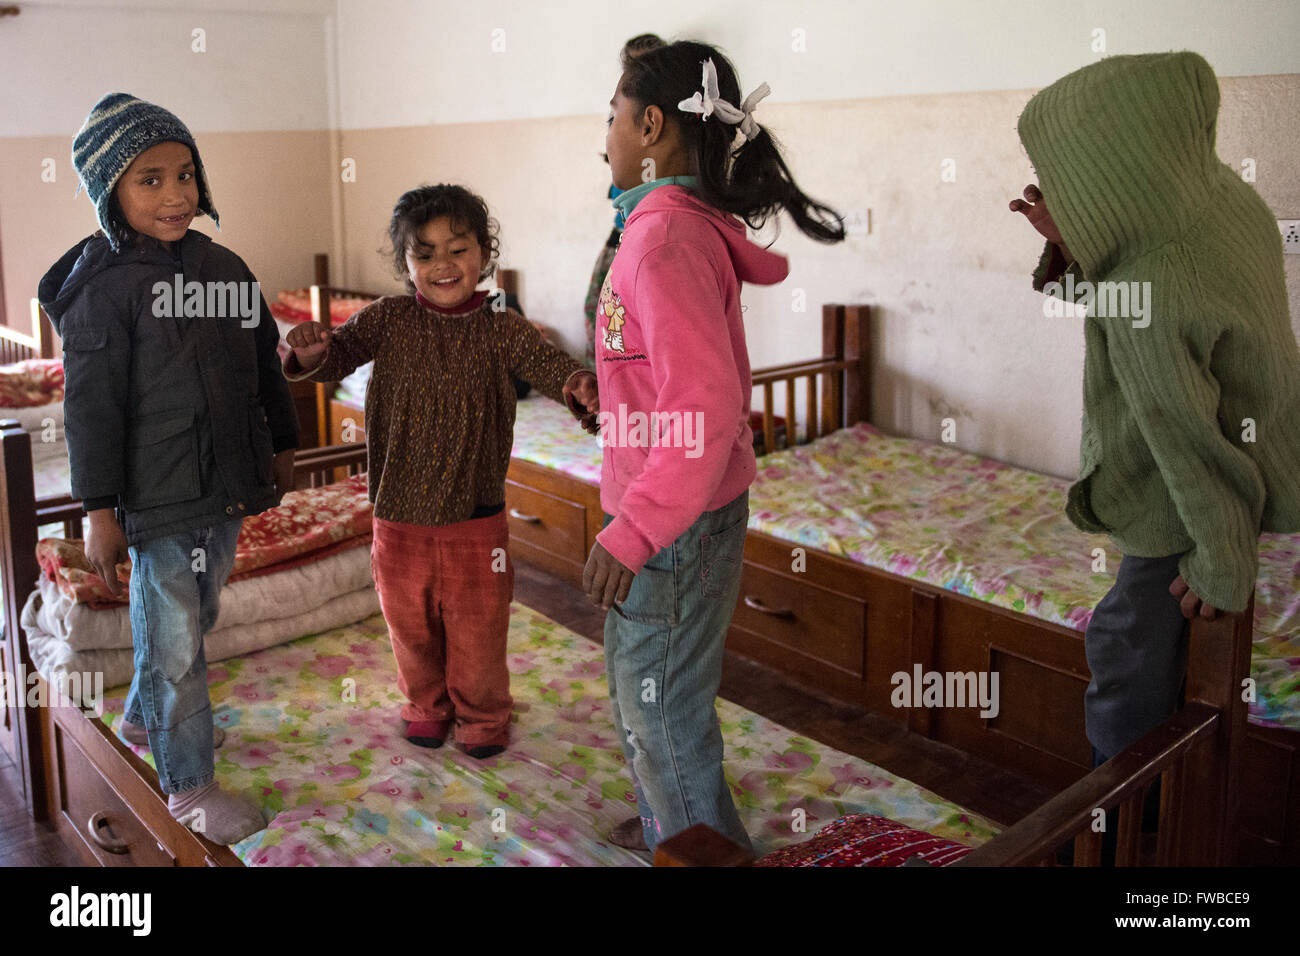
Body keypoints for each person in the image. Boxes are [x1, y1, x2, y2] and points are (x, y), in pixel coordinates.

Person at [589, 41, 845, 853]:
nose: (605, 138)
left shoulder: (664, 244)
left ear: (652, 125)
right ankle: (674, 823)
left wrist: (633, 530)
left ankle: (703, 846)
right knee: (641, 688)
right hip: (678, 507)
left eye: (613, 118)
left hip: (671, 523)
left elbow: (702, 409)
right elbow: (671, 376)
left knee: (660, 704)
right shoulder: (670, 229)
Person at [1011, 51, 1300, 770]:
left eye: (1076, 181)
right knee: (1145, 643)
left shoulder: (1153, 283)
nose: (1063, 194)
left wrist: (1220, 559)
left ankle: (1126, 810)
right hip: (1261, 442)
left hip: (1181, 498)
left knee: (1126, 642)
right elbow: (1130, 296)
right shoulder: (1226, 204)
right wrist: (1074, 242)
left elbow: (1186, 440)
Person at [39, 92, 299, 845]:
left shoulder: (223, 266)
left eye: (185, 173)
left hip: (223, 490)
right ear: (109, 191)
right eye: (149, 178)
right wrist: (96, 509)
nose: (176, 193)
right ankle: (188, 788)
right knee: (178, 640)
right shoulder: (102, 289)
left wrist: (282, 446)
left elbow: (263, 365)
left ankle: (144, 715)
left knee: (197, 614)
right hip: (156, 500)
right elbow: (90, 411)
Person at [284, 184, 598, 758]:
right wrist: (306, 351)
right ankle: (425, 705)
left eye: (457, 248)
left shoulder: (501, 325)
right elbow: (334, 359)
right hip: (396, 516)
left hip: (475, 522)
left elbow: (551, 367)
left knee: (478, 630)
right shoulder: (389, 318)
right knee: (410, 630)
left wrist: (579, 385)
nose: (442, 264)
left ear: (483, 252)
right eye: (423, 253)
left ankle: (481, 716)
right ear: (406, 264)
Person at [585, 33, 666, 367]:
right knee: (597, 310)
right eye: (632, 65)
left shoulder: (663, 115)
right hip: (620, 233)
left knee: (638, 325)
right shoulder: (623, 107)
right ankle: (603, 388)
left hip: (646, 236)